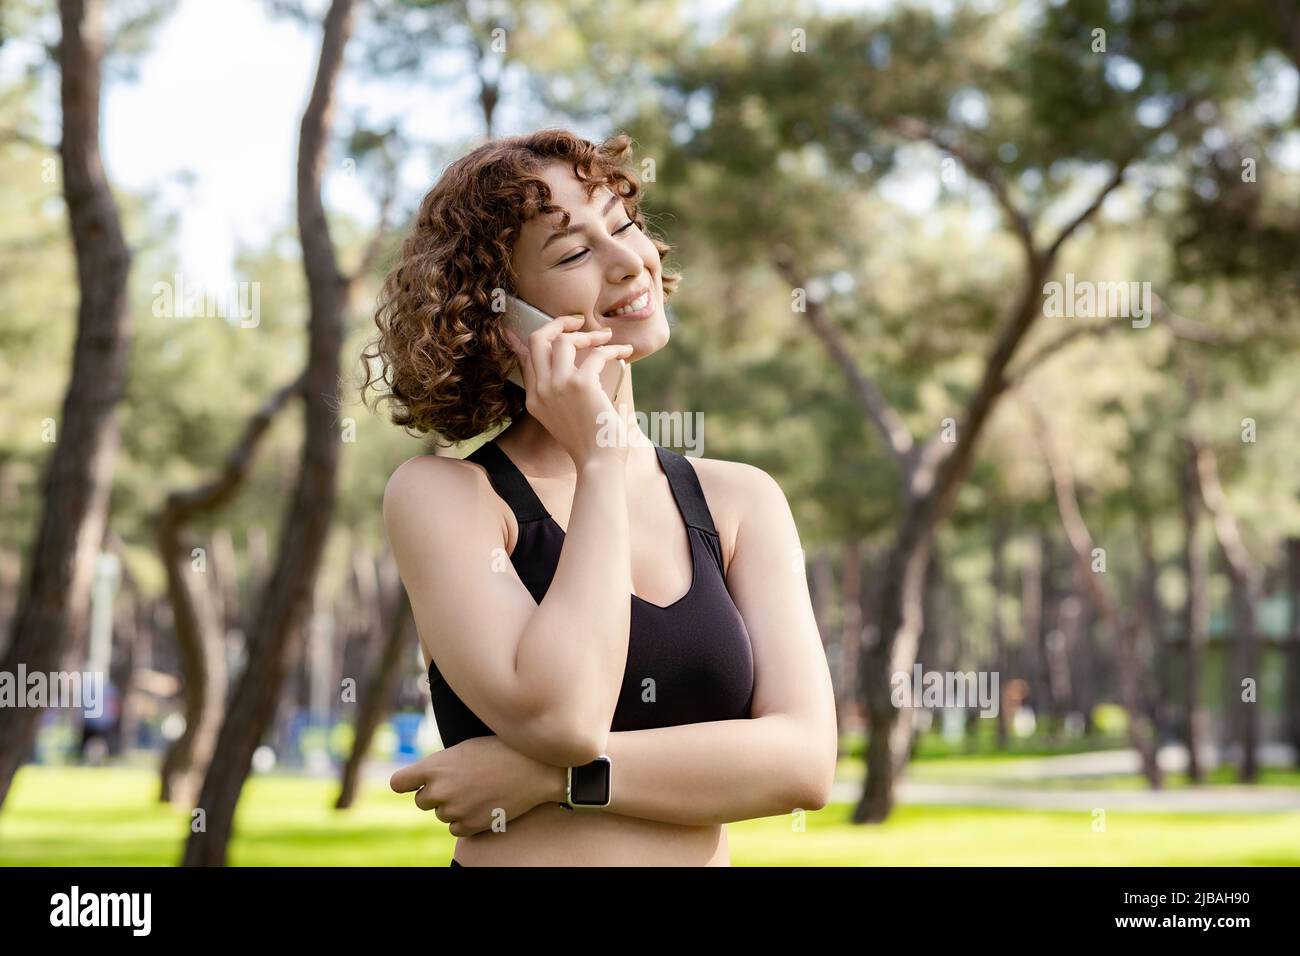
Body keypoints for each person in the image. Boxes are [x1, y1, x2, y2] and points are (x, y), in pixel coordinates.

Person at [360, 129, 837, 866]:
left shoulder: (742, 501)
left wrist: (548, 779)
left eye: (622, 226)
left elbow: (803, 764)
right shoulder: (446, 496)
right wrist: (602, 458)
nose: (626, 263)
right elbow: (563, 716)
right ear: (500, 316)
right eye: (574, 253)